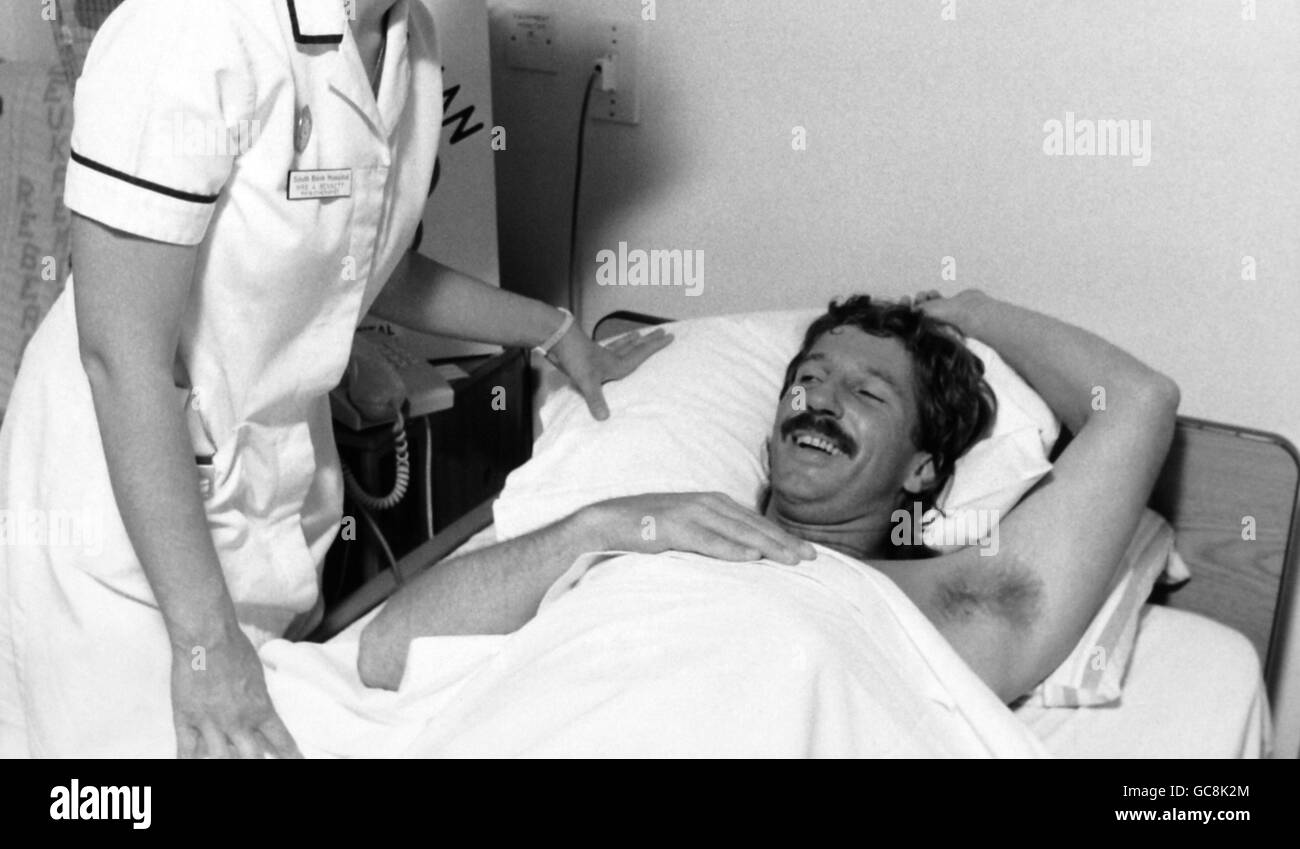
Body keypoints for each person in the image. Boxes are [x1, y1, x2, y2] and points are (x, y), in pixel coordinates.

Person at [0, 0, 669, 760]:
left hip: (265, 510)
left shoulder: (406, 45)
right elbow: (121, 360)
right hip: (124, 533)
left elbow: (370, 269)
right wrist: (201, 643)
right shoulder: (194, 31)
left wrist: (554, 330)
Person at [358, 289, 1180, 711]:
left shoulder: (945, 602)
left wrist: (969, 312)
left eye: (867, 392)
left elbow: (1138, 401)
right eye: (809, 380)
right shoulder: (643, 532)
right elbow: (386, 648)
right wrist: (605, 524)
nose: (820, 401)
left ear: (924, 471)